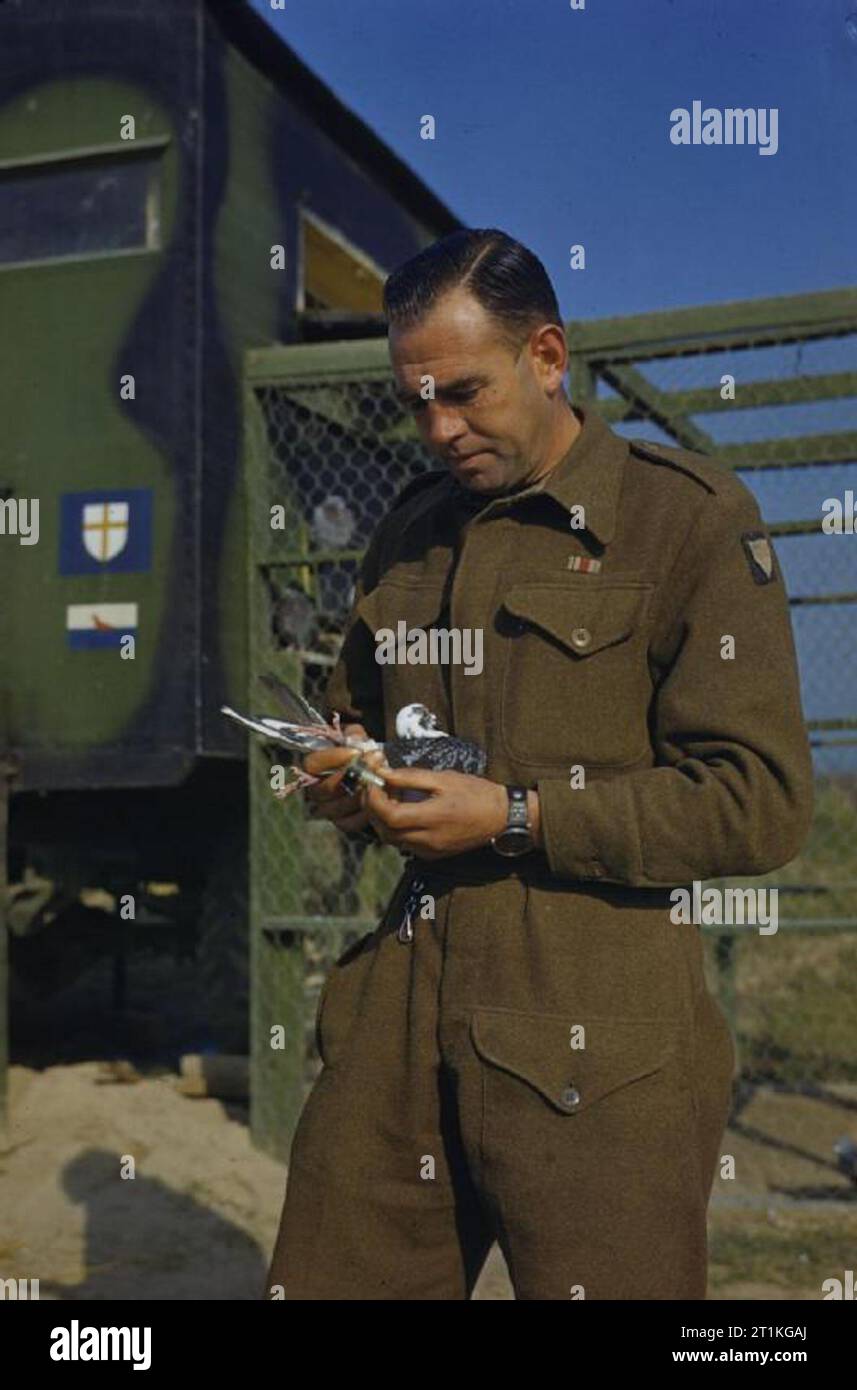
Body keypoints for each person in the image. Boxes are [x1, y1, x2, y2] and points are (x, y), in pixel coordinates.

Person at [265, 228, 814, 1300]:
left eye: (463, 392)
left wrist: (515, 815)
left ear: (547, 357)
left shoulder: (683, 522)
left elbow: (757, 801)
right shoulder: (410, 532)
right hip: (400, 1014)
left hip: (597, 1037)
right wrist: (342, 776)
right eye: (414, 398)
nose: (437, 427)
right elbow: (357, 718)